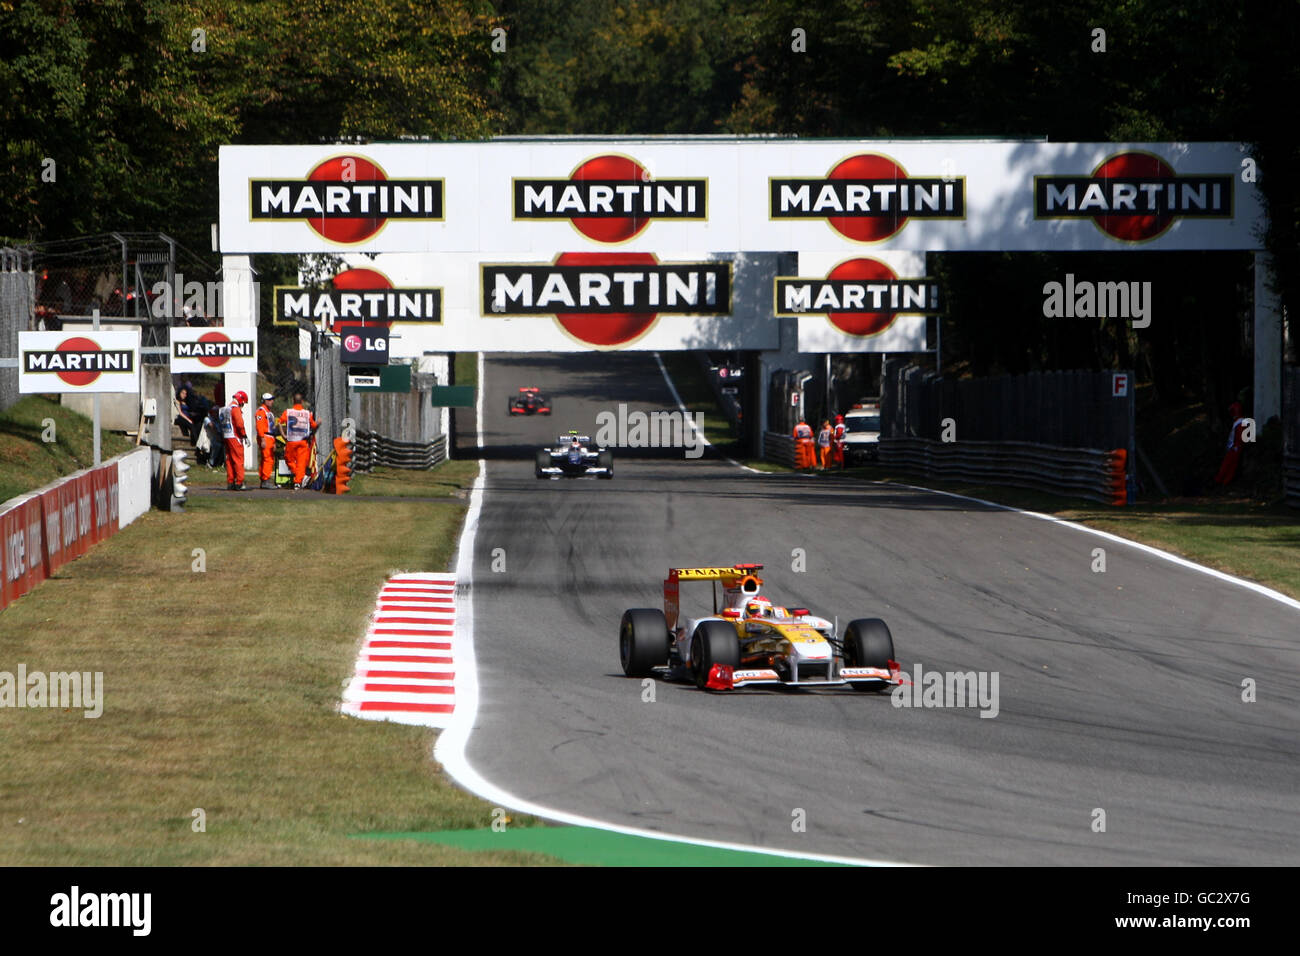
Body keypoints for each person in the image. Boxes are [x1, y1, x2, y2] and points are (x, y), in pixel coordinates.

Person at [277, 392, 319, 490]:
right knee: (301, 462)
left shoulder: (288, 412)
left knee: (289, 459)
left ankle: (298, 478)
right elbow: (313, 425)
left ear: (293, 401)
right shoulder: (307, 413)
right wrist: (318, 423)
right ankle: (299, 480)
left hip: (291, 440)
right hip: (303, 441)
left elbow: (279, 422)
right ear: (302, 402)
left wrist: (283, 435)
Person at [1212, 401, 1249, 487]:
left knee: (1229, 465)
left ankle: (1223, 482)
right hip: (1233, 447)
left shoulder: (1240, 423)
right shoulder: (1239, 422)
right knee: (1228, 465)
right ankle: (1222, 481)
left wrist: (1236, 446)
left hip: (1235, 448)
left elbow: (1240, 437)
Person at [219, 390, 250, 490]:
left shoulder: (225, 408)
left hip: (226, 436)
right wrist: (244, 435)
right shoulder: (235, 408)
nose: (243, 405)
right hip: (235, 436)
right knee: (238, 459)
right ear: (241, 400)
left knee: (229, 460)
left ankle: (230, 481)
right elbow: (239, 424)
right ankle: (240, 482)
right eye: (243, 403)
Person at [254, 393, 279, 489]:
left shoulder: (269, 412)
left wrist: (274, 441)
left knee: (267, 459)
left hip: (270, 437)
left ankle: (264, 479)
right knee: (268, 459)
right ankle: (265, 480)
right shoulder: (261, 411)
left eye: (272, 399)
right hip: (265, 437)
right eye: (269, 400)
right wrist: (262, 439)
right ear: (264, 401)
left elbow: (272, 427)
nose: (271, 401)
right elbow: (260, 426)